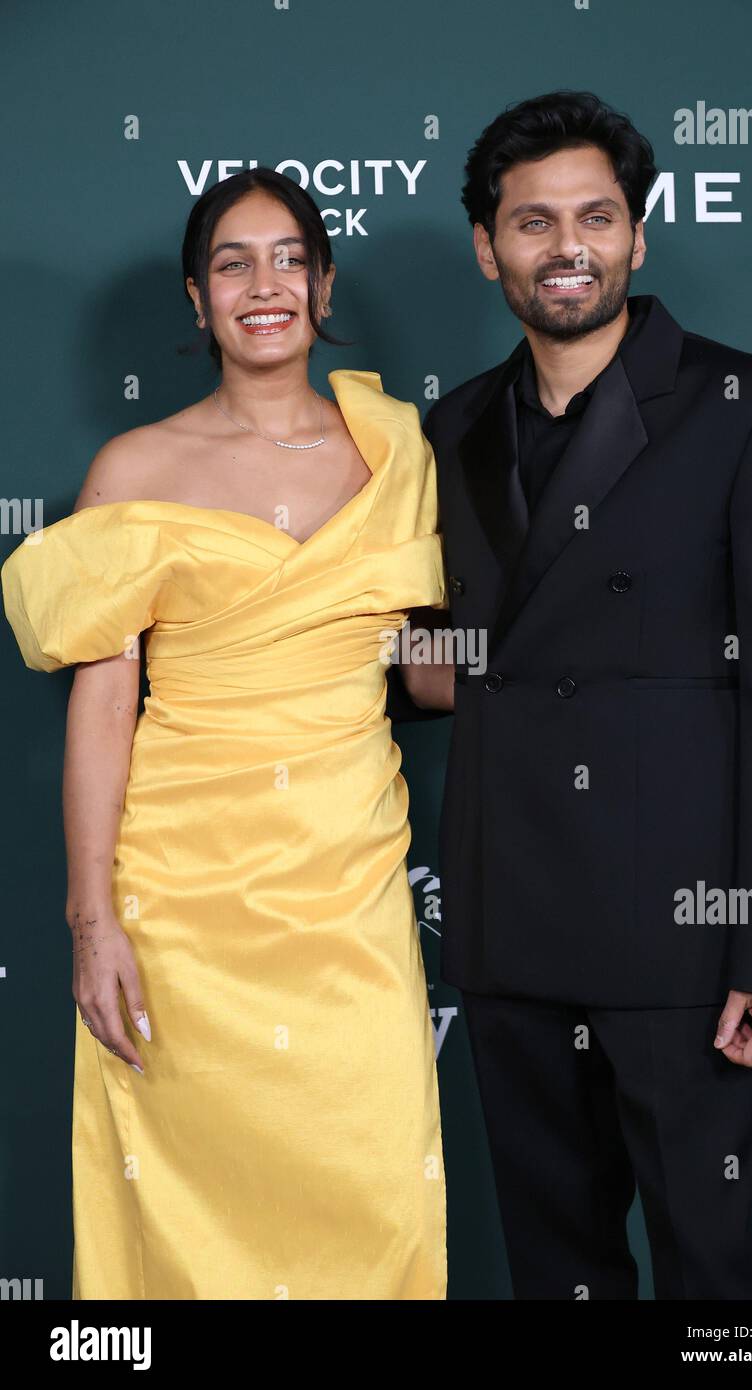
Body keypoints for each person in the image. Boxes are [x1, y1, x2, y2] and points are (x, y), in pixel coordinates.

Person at [389, 90, 752, 1299]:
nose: (568, 248)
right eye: (533, 223)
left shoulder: (748, 410)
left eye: (595, 217)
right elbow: (448, 659)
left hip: (682, 935)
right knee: (558, 1271)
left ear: (637, 237)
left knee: (709, 1269)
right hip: (509, 920)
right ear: (488, 246)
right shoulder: (451, 429)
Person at [1, 167, 448, 1300]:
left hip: (346, 882)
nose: (264, 284)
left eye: (288, 257)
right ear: (197, 301)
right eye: (232, 262)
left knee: (372, 1179)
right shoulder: (135, 470)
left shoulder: (391, 449)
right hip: (184, 900)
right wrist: (92, 918)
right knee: (187, 1195)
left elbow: (426, 666)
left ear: (325, 284)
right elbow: (104, 705)